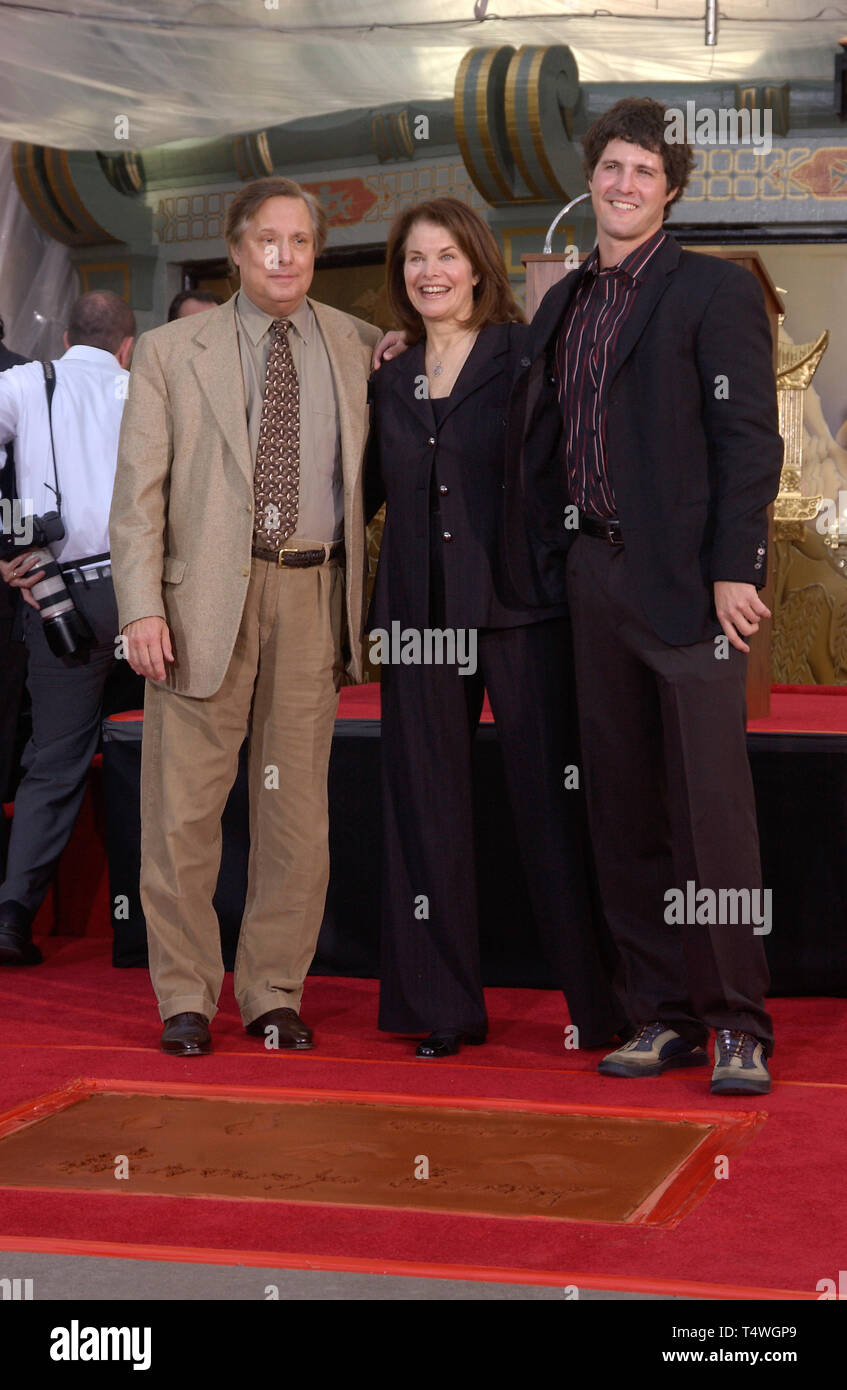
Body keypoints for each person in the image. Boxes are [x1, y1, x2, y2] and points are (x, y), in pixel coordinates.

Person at [504, 97, 783, 1095]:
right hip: (592, 581)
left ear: (670, 187)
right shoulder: (566, 302)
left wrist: (734, 567)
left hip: (691, 589)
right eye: (611, 167)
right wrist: (404, 349)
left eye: (643, 171)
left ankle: (737, 1023)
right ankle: (658, 1012)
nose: (623, 185)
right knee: (621, 813)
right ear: (592, 177)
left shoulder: (712, 292)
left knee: (712, 815)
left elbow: (749, 441)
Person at [110, 175, 381, 1057]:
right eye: (268, 240)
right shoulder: (168, 352)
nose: (285, 256)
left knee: (297, 816)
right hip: (200, 606)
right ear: (234, 249)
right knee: (182, 814)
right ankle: (185, 996)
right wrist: (141, 608)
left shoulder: (361, 346)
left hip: (312, 595)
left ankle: (272, 993)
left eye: (300, 241)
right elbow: (136, 501)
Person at [367, 196, 626, 1059]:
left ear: (477, 265)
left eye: (444, 257)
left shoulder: (525, 354)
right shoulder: (387, 376)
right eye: (414, 260)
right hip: (418, 621)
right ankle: (443, 1007)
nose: (429, 273)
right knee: (425, 811)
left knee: (552, 806)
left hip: (519, 608)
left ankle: (600, 1002)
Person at [0, 291, 136, 964]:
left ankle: (12, 918)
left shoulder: (26, 383)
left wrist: (7, 548)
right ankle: (162, 924)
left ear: (63, 340)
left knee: (53, 765)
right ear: (127, 345)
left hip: (59, 594)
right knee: (172, 758)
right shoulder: (140, 388)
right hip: (147, 594)